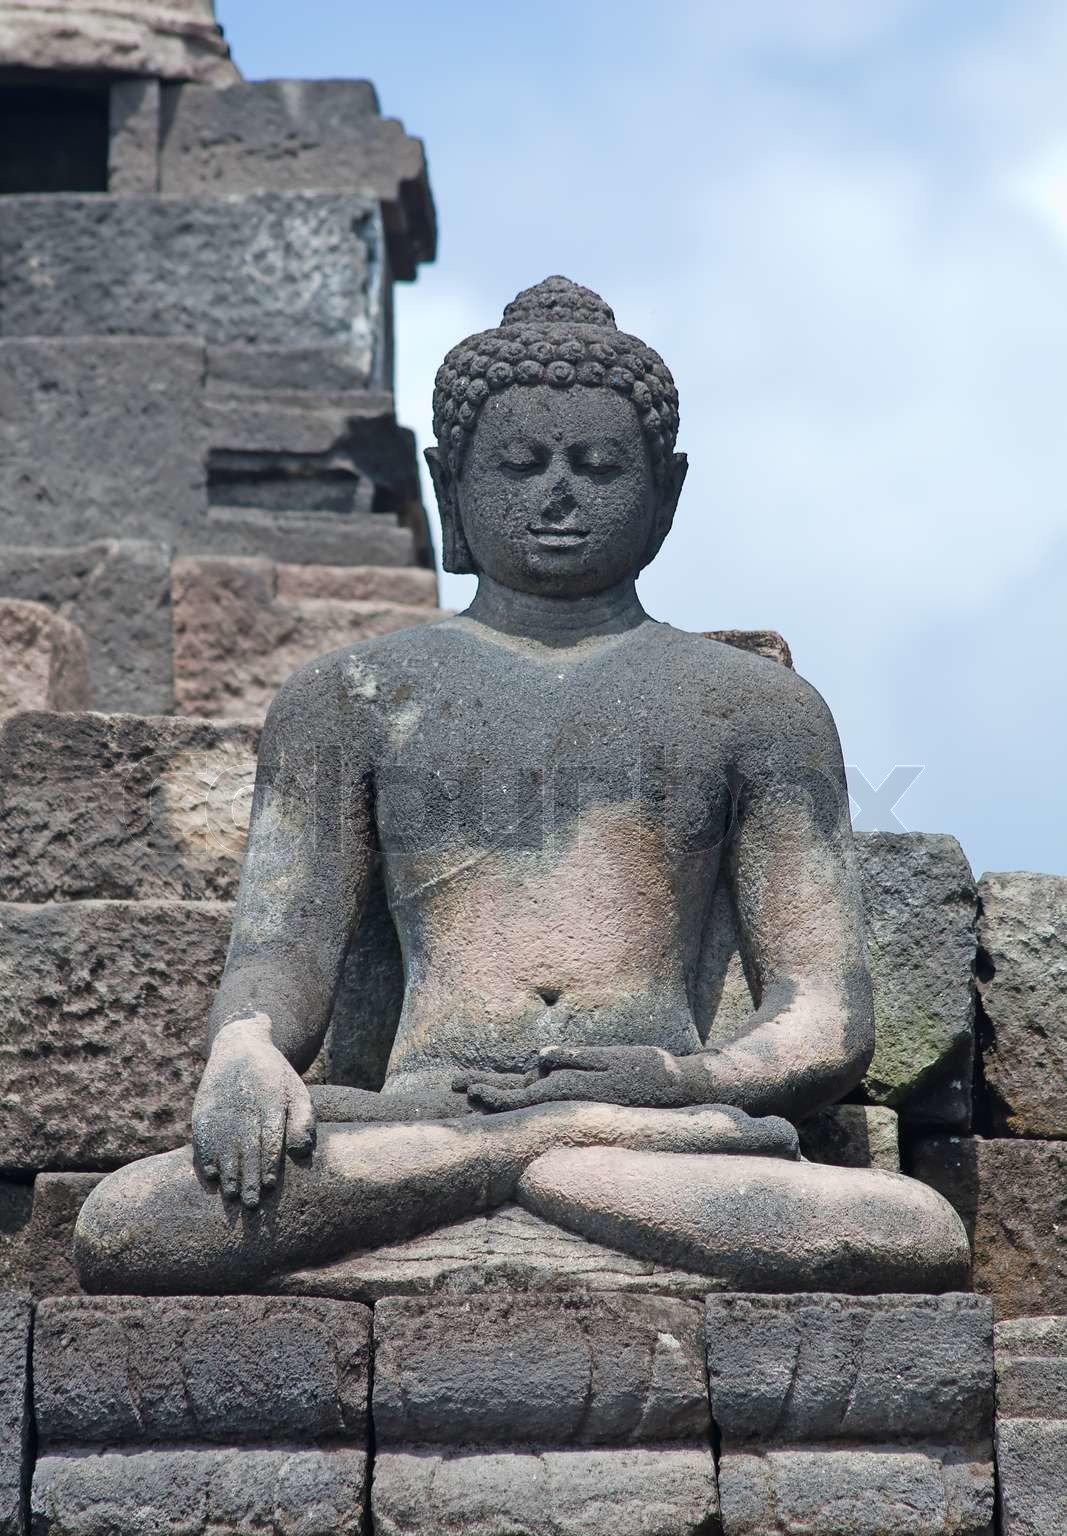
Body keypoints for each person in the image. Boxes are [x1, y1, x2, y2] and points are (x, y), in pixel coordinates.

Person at [75, 278, 968, 1295]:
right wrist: (244, 1053)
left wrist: (681, 1079)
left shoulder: (758, 709)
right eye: (517, 463)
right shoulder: (347, 695)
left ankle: (521, 1170)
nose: (556, 494)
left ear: (665, 492)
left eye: (596, 466)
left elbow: (821, 1012)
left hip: (657, 1128)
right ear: (447, 481)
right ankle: (539, 1165)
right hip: (423, 1116)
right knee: (129, 1220)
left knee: (906, 1229)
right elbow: (281, 953)